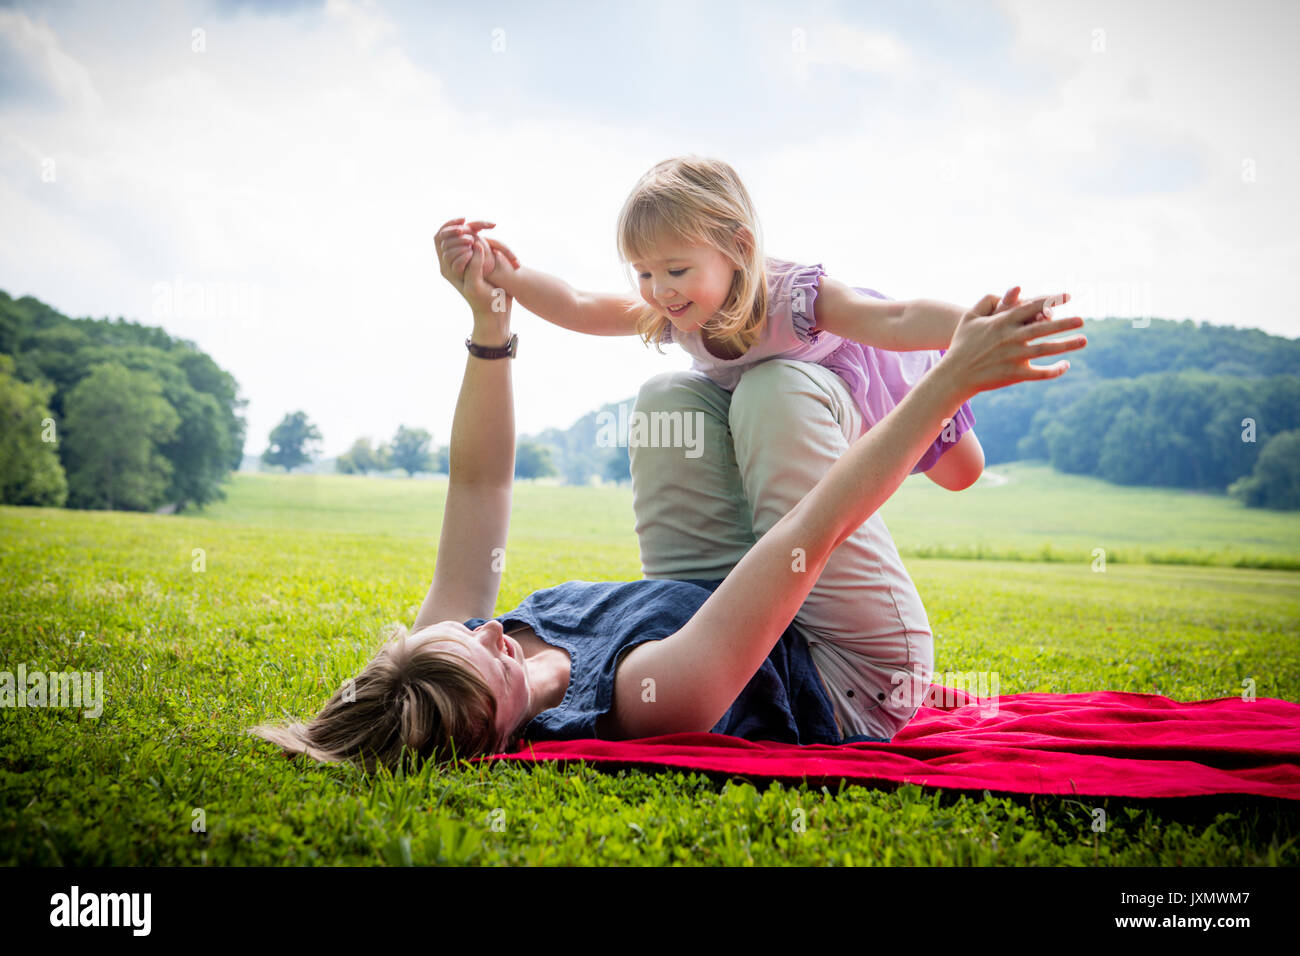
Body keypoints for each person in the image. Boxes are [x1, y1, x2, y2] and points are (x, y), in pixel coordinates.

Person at [248, 220, 1085, 773]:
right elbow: (812, 529)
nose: (494, 627)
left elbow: (477, 483)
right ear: (496, 739)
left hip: (731, 593)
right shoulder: (646, 697)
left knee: (665, 403)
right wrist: (946, 382)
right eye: (495, 656)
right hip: (851, 669)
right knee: (781, 390)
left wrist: (492, 320)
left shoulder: (452, 652)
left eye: (474, 633)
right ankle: (897, 422)